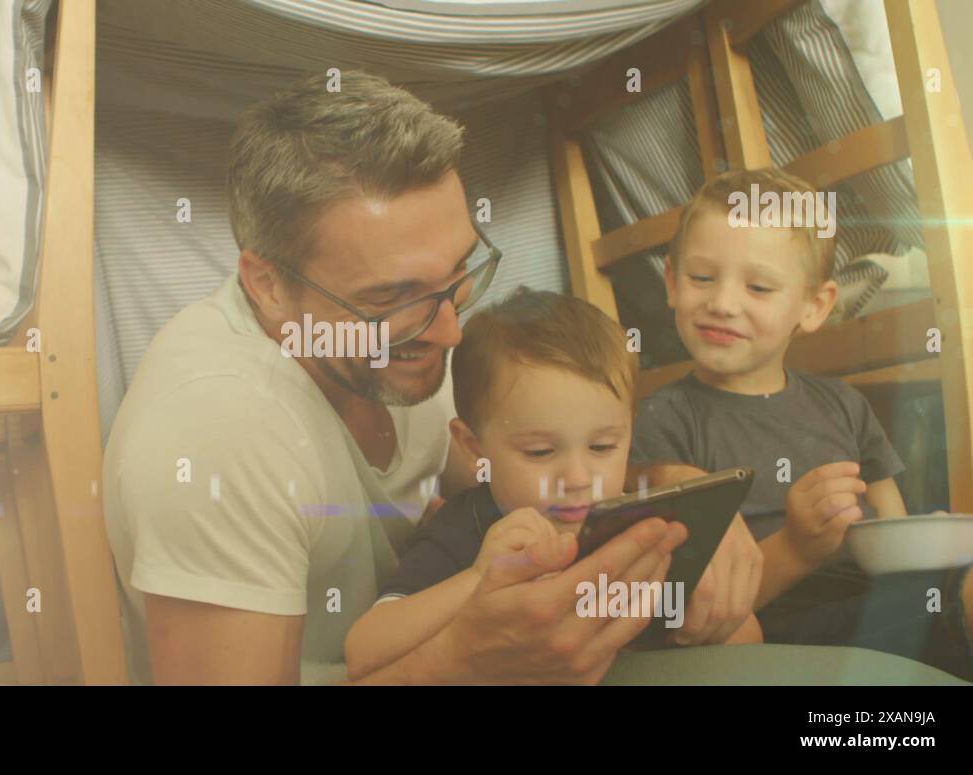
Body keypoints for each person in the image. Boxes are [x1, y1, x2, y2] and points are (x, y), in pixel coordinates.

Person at [102, 70, 760, 685]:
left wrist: (667, 497)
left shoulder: (402, 345)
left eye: (457, 275)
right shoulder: (215, 432)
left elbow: (510, 468)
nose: (450, 331)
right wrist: (456, 661)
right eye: (394, 297)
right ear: (268, 285)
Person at [629, 167, 973, 682]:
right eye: (701, 277)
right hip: (779, 627)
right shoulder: (663, 427)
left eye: (758, 286)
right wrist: (795, 547)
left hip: (885, 607)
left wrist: (944, 546)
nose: (723, 303)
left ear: (814, 306)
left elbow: (894, 534)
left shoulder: (844, 405)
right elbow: (690, 613)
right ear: (670, 281)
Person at [345, 288, 762, 680]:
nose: (578, 480)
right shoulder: (468, 529)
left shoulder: (643, 524)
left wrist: (706, 616)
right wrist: (478, 577)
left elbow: (750, 642)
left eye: (602, 447)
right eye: (540, 453)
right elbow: (364, 651)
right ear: (474, 446)